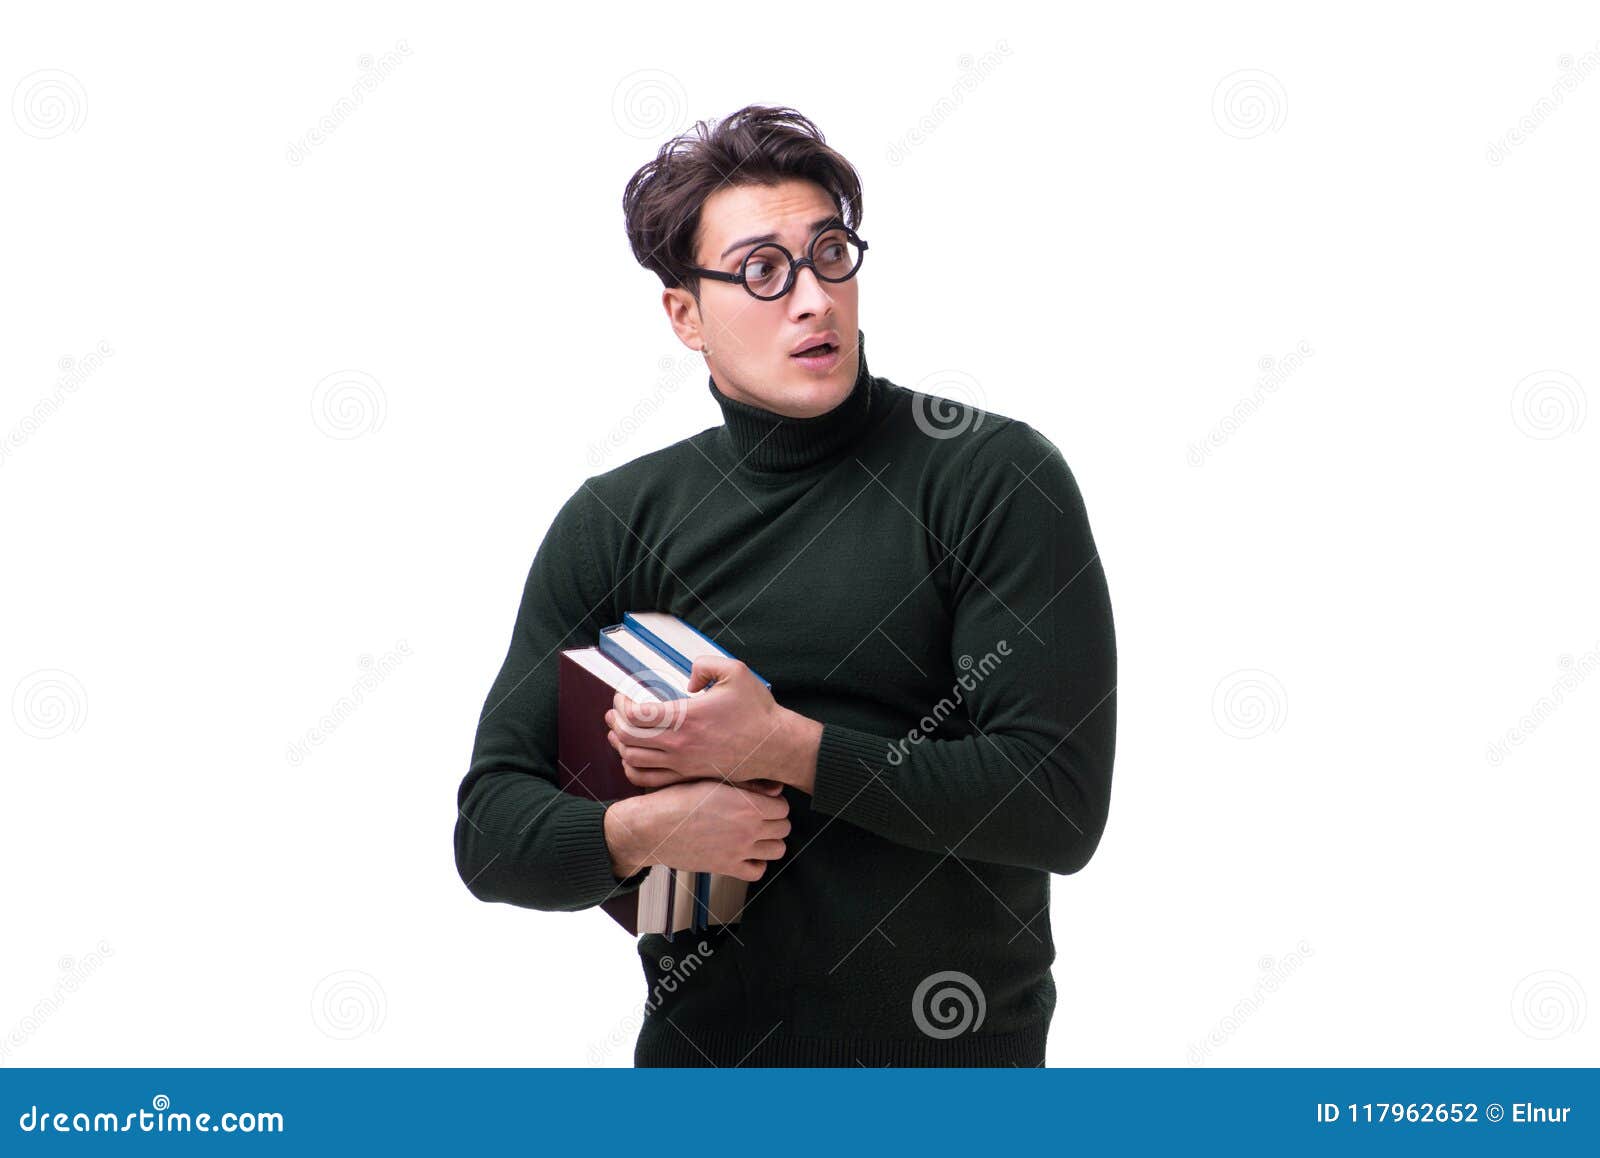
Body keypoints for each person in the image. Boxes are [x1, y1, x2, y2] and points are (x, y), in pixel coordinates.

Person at [454, 104, 1117, 1067]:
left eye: (831, 255)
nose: (813, 299)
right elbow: (490, 833)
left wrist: (784, 745)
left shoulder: (991, 476)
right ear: (686, 313)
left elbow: (1055, 806)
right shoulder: (615, 521)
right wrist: (642, 829)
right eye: (763, 271)